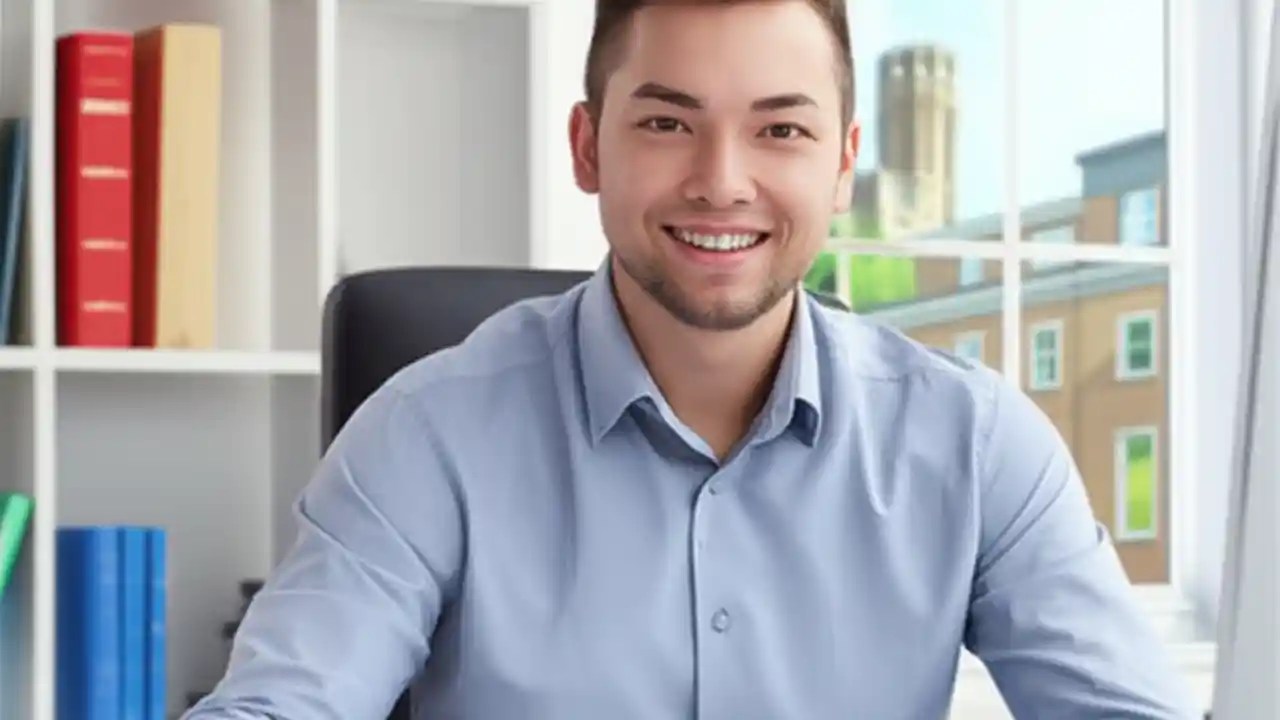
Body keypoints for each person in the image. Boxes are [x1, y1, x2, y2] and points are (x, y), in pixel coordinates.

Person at [184, 1, 1198, 717]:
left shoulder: (975, 447)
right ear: (588, 148)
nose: (721, 182)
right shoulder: (425, 434)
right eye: (667, 123)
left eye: (779, 130)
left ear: (842, 163)